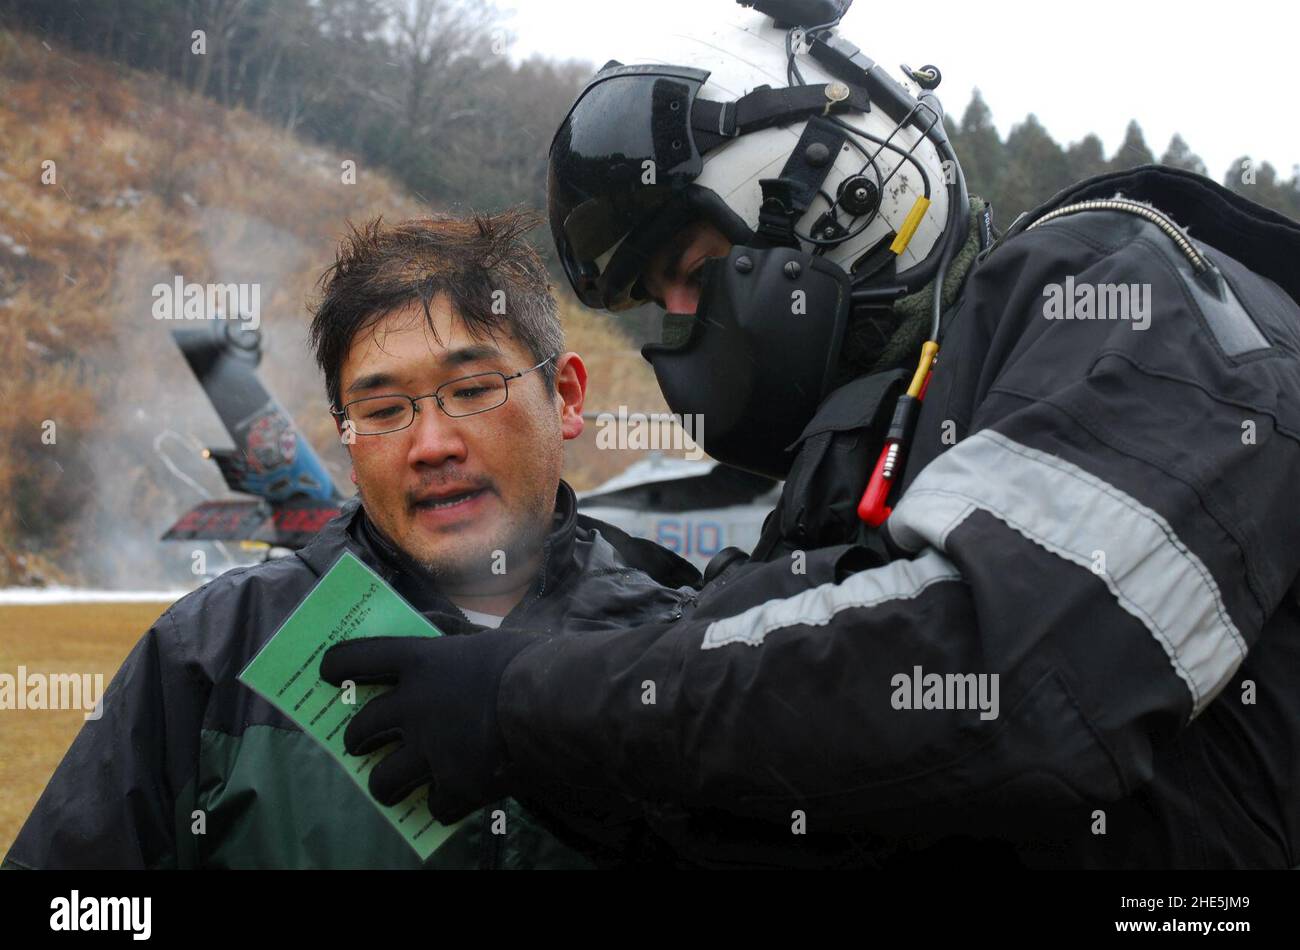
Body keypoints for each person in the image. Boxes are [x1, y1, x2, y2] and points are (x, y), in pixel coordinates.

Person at [320, 3, 1300, 867]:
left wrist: (526, 702)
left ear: (832, 190)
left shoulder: (1120, 296)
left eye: (683, 266)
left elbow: (1003, 680)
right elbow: (792, 769)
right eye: (652, 303)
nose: (679, 322)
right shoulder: (860, 464)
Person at [3, 211, 697, 869]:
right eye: (384, 409)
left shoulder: (692, 649)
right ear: (346, 435)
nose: (431, 445)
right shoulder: (212, 654)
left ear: (567, 397)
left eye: (474, 389)